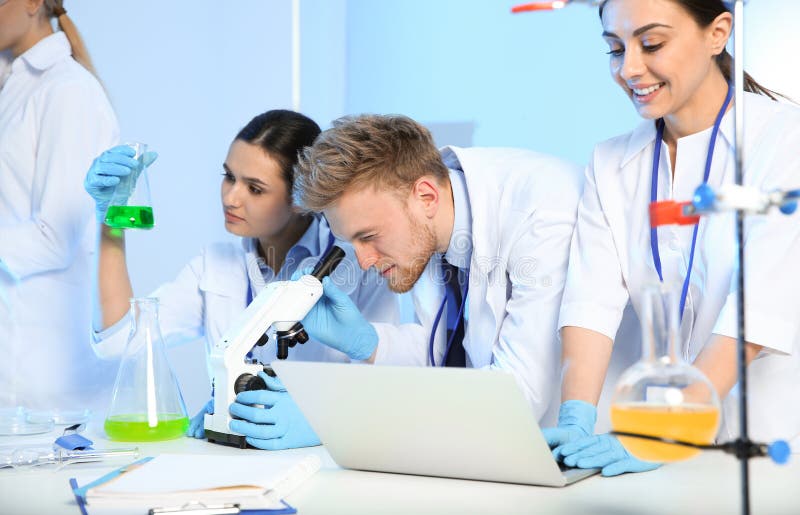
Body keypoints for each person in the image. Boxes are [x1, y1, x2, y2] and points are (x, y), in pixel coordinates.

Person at [546, 0, 800, 476]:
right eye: (615, 49)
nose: (630, 69)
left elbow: (756, 312)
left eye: (652, 44)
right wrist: (576, 413)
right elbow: (591, 302)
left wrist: (672, 426)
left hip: (773, 450)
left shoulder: (786, 141)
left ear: (717, 33)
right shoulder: (610, 162)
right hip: (661, 447)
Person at [84, 109, 402, 450]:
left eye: (255, 188)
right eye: (229, 176)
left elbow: (384, 392)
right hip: (233, 460)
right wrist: (110, 223)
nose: (230, 197)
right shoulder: (216, 265)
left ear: (301, 199)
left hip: (327, 464)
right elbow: (120, 340)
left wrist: (319, 420)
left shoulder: (361, 267)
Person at [291, 114, 584, 422]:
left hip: (589, 448)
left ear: (426, 197)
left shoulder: (541, 211)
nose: (364, 261)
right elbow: (441, 353)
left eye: (369, 236)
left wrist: (341, 415)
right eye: (352, 242)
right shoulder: (434, 219)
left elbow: (518, 394)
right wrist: (368, 344)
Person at [0, 0, 119, 411]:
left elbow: (55, 237)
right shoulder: (13, 86)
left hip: (42, 384)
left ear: (33, 3)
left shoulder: (67, 90)